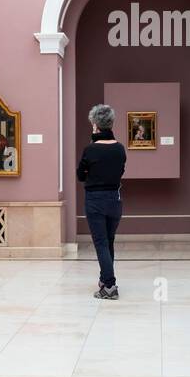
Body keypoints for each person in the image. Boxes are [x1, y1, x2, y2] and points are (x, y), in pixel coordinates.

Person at [77, 103, 126, 300]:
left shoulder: (90, 150)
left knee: (101, 243)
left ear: (96, 125)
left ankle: (110, 286)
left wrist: (92, 173)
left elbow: (81, 175)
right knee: (109, 241)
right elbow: (120, 172)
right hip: (115, 199)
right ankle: (104, 279)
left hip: (95, 200)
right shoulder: (120, 149)